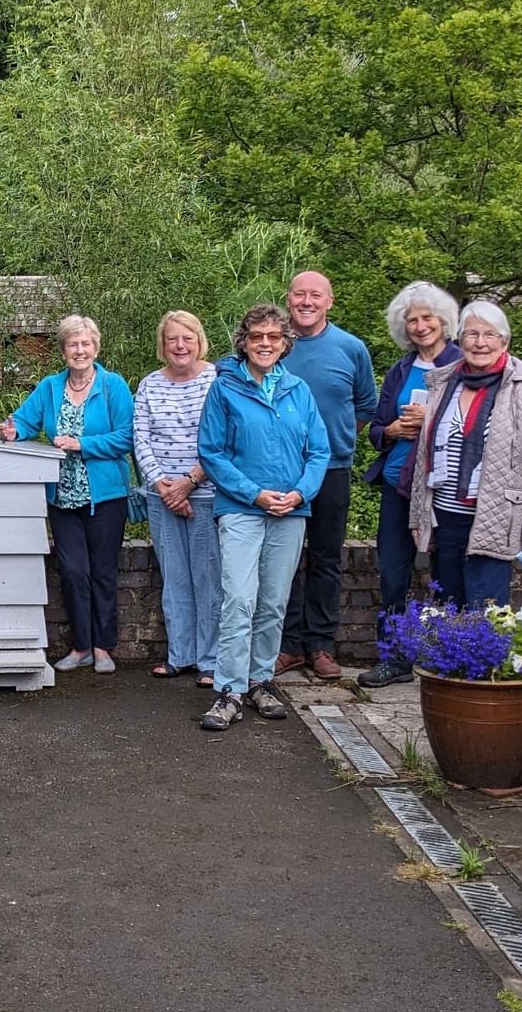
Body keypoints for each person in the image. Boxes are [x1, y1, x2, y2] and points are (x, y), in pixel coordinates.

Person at [196, 303, 329, 733]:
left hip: (291, 511)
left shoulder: (299, 390)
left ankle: (260, 681)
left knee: (272, 602)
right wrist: (254, 493)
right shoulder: (225, 388)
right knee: (239, 599)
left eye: (274, 337)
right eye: (258, 337)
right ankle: (229, 690)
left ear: (285, 342)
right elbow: (211, 451)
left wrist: (299, 493)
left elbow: (319, 452)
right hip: (241, 510)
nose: (266, 344)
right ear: (244, 342)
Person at [0, 314, 136, 675]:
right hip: (61, 495)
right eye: (73, 344)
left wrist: (82, 444)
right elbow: (25, 421)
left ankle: (103, 647)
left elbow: (127, 436)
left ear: (97, 347)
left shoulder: (112, 386)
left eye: (86, 344)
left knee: (103, 572)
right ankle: (79, 647)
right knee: (73, 571)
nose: (80, 350)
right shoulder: (49, 387)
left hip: (105, 496)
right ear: (63, 350)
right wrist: (12, 430)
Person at [408, 300, 522, 610]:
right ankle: (448, 662)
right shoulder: (444, 381)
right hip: (445, 517)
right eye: (472, 334)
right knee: (447, 611)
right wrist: (418, 514)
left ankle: (486, 662)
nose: (480, 343)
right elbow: (424, 453)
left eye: (490, 335)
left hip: (495, 519)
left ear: (504, 341)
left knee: (486, 614)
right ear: (459, 339)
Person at [273, 270, 378, 682]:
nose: (306, 301)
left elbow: (366, 405)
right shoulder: (274, 345)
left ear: (329, 301)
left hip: (332, 469)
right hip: (282, 471)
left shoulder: (351, 349)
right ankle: (289, 646)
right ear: (288, 299)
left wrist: (334, 438)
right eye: (299, 294)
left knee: (326, 558)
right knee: (284, 559)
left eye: (315, 295)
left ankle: (321, 646)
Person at [359, 284, 462, 688]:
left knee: (447, 572)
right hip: (396, 483)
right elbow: (376, 428)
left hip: (443, 487)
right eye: (412, 320)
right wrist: (393, 430)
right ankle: (393, 656)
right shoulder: (401, 369)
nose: (420, 326)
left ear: (443, 321)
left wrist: (429, 422)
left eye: (427, 318)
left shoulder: (462, 366)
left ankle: (448, 657)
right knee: (393, 572)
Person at [133, 312, 219, 683]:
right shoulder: (149, 385)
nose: (180, 345)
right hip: (161, 495)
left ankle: (211, 660)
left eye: (187, 338)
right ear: (162, 345)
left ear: (199, 340)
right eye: (172, 339)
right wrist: (163, 486)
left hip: (208, 493)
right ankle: (179, 655)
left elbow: (223, 438)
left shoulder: (218, 380)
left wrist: (189, 482)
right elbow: (141, 438)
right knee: (175, 579)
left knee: (209, 580)